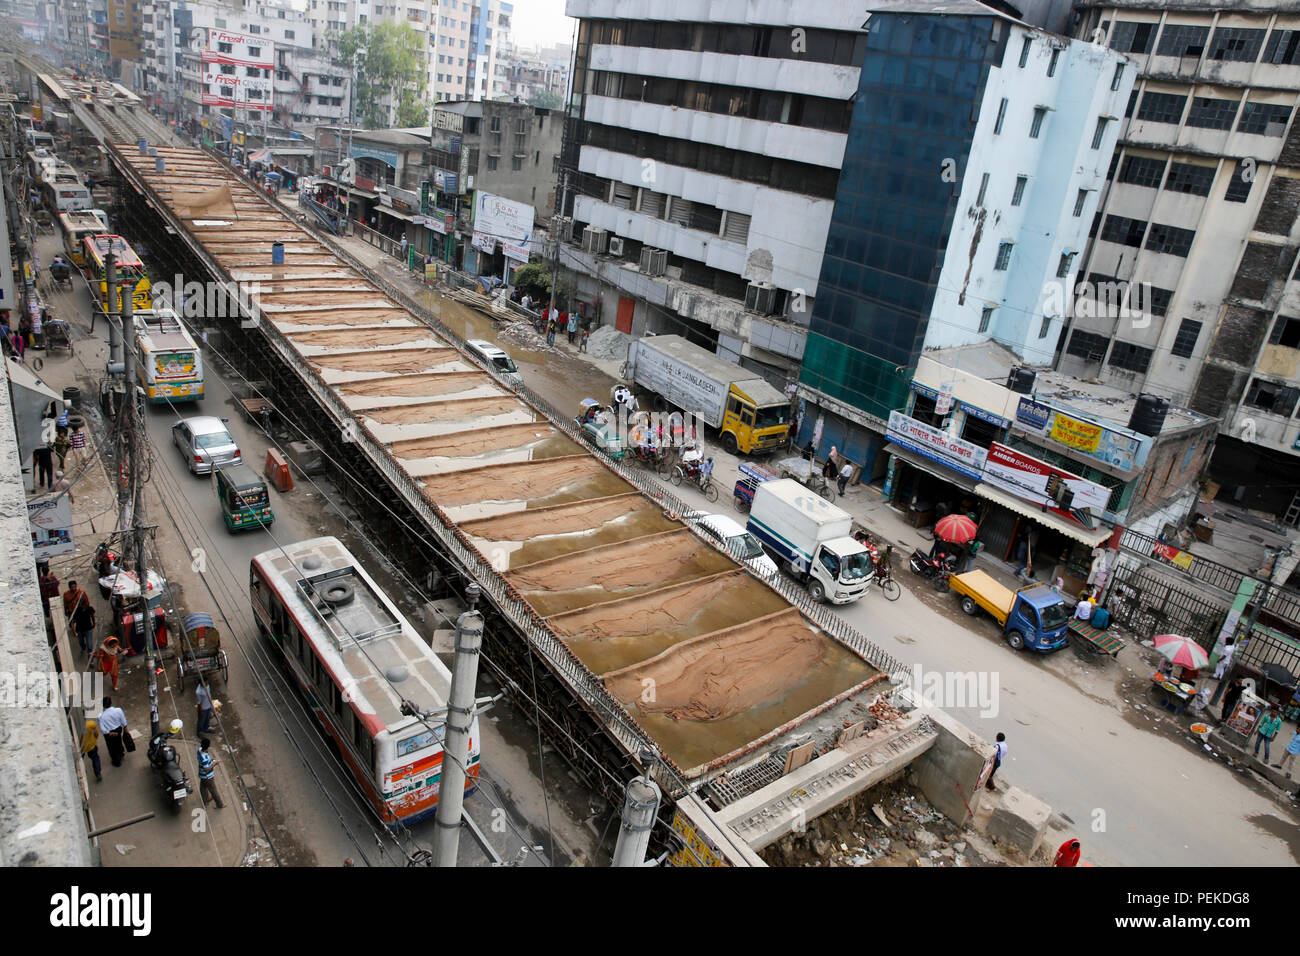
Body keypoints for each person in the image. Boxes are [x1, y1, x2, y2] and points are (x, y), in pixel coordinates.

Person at [98, 697, 129, 767]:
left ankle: (117, 761)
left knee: (111, 747)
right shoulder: (118, 710)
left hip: (109, 733)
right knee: (118, 741)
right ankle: (121, 753)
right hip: (118, 730)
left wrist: (109, 733)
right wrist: (127, 731)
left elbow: (102, 728)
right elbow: (124, 722)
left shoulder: (101, 716)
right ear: (111, 703)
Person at [197, 738, 224, 809]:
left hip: (202, 775)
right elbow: (207, 769)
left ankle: (205, 800)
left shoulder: (199, 751)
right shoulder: (204, 758)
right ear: (208, 746)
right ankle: (219, 804)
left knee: (203, 788)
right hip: (207, 776)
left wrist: (211, 760)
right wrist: (214, 764)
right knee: (213, 791)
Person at [80, 715, 102, 782]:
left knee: (81, 760)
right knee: (95, 759)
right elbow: (96, 733)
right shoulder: (90, 724)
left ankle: (82, 771)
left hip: (81, 747)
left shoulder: (76, 727)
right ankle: (98, 773)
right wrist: (95, 739)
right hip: (91, 745)